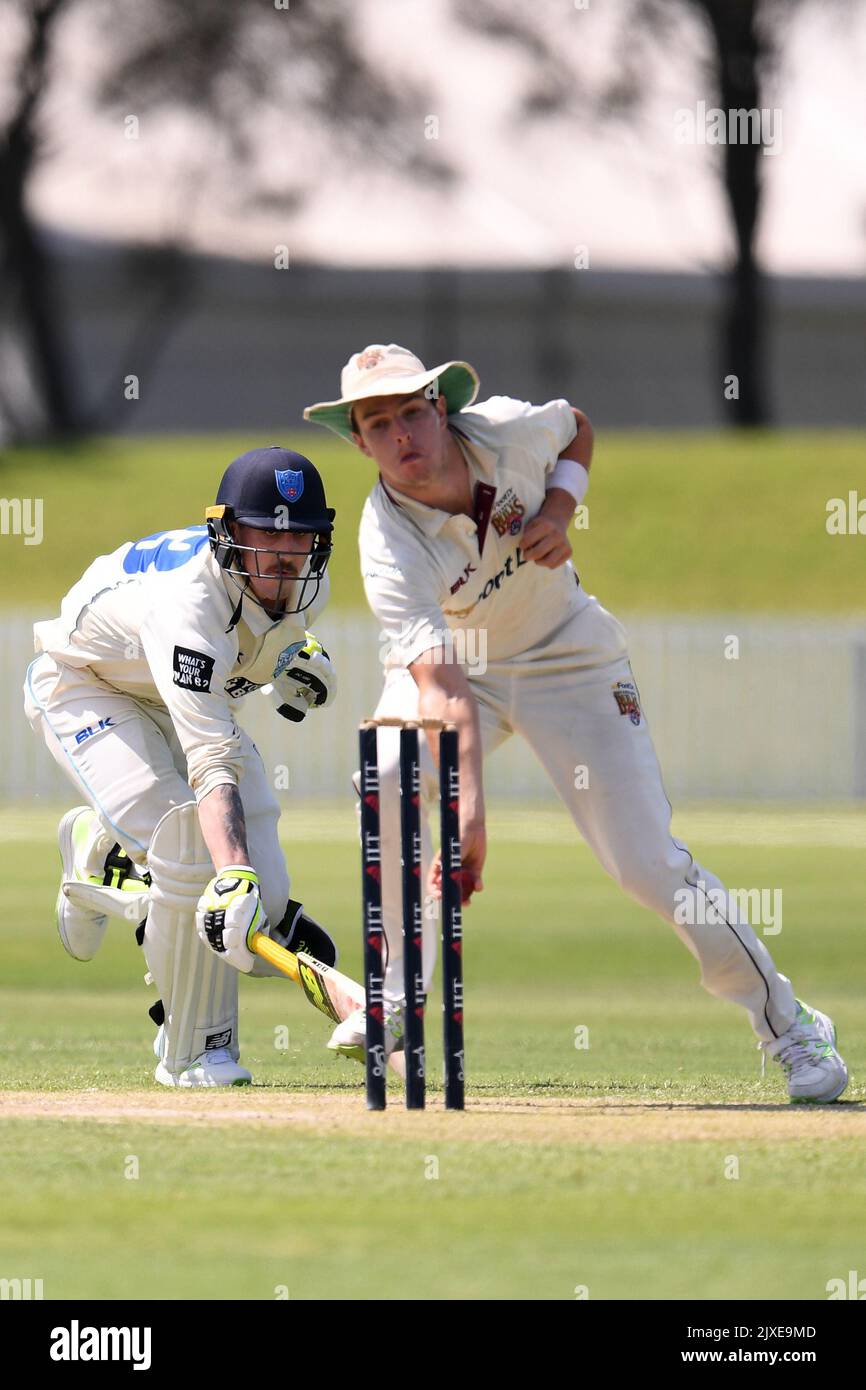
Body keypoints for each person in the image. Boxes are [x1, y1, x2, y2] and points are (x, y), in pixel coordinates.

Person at [303, 343, 849, 1104]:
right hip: (465, 671)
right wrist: (470, 814)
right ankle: (398, 993)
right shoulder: (386, 540)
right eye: (378, 423)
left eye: (411, 413)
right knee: (390, 768)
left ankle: (791, 1027)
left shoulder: (506, 430)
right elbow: (445, 687)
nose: (402, 436)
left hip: (571, 662)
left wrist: (560, 508)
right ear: (359, 442)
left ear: (441, 409)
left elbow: (579, 428)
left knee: (648, 868)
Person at [24, 446, 339, 1088]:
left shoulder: (308, 581)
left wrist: (289, 660)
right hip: (86, 683)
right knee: (199, 858)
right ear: (224, 535)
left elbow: (260, 642)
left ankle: (102, 847)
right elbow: (211, 760)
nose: (283, 559)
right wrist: (231, 877)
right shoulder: (186, 610)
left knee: (267, 901)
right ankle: (194, 1049)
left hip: (176, 693)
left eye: (298, 538)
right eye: (263, 538)